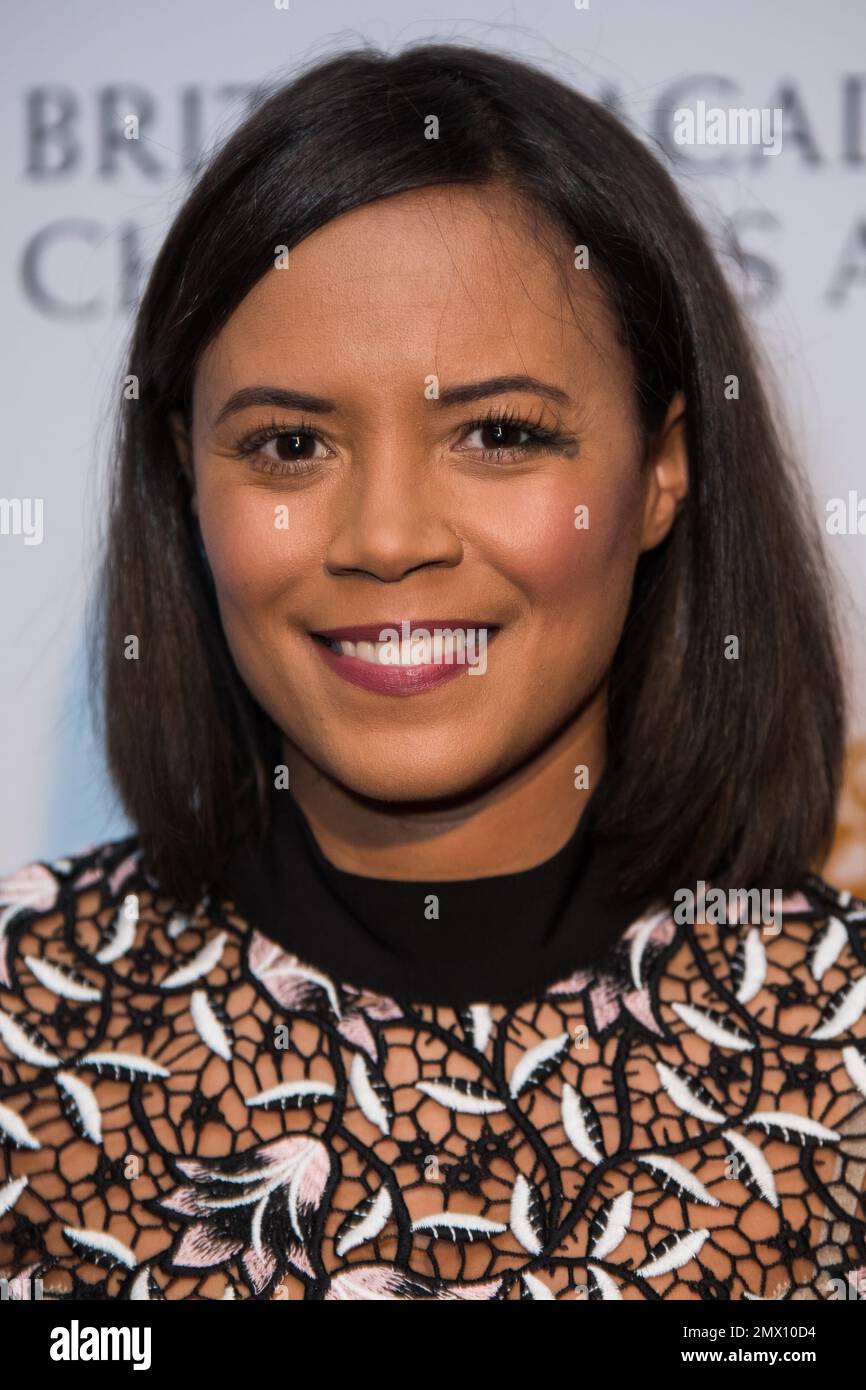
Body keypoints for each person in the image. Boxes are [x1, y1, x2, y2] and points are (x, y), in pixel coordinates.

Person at [2, 42, 865, 1303]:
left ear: (661, 470)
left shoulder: (841, 1041)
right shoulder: (27, 1020)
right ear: (186, 475)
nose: (389, 538)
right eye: (290, 444)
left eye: (499, 435)